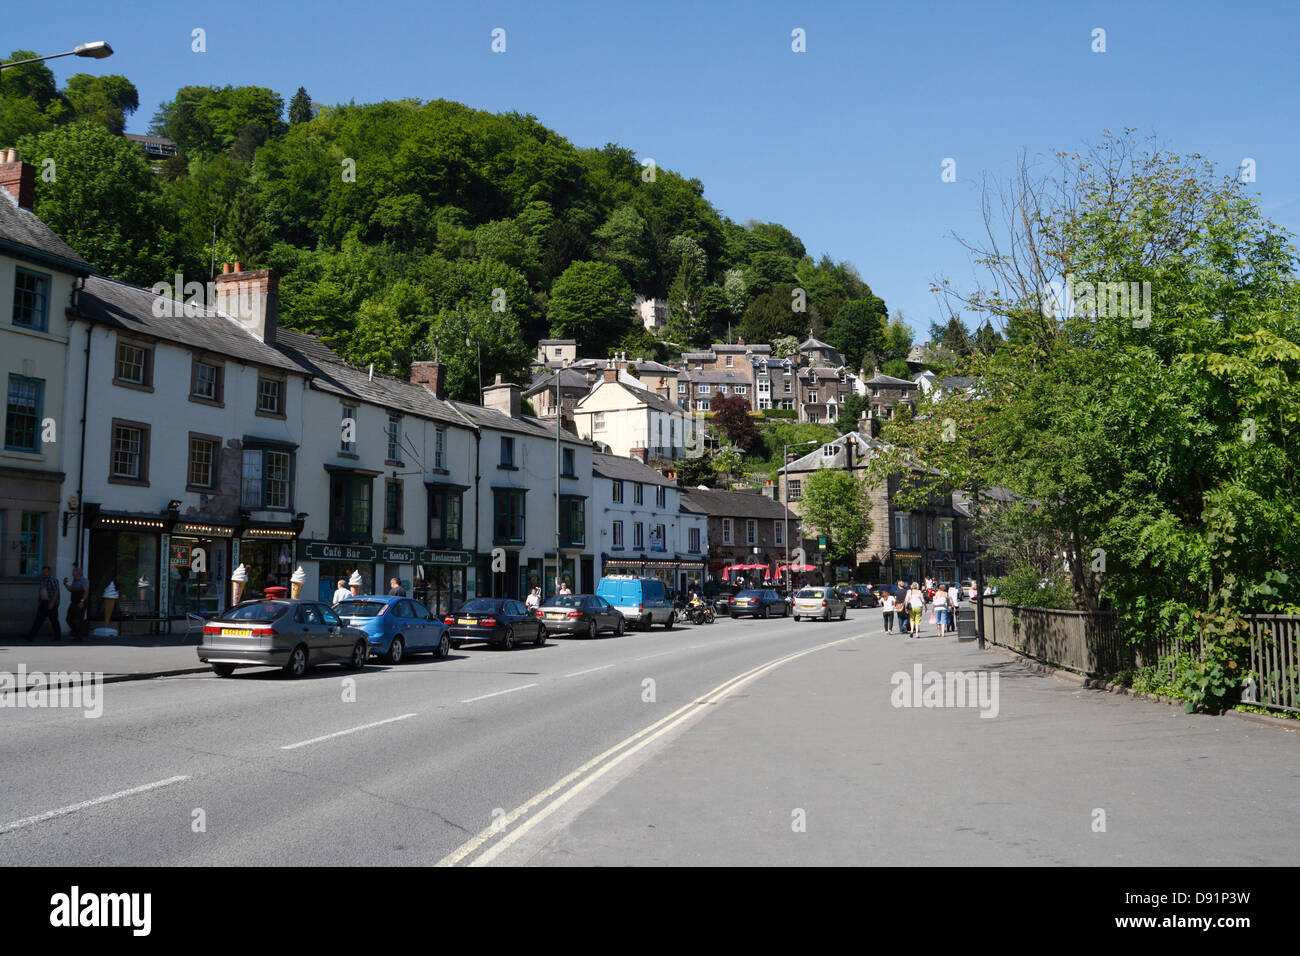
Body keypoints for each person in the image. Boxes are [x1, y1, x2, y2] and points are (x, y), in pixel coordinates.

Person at [27, 566, 62, 642]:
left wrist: (52, 603)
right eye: (43, 572)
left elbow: (56, 591)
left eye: (46, 572)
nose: (44, 573)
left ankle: (58, 637)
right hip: (43, 602)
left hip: (51, 603)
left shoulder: (52, 580)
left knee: (54, 621)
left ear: (49, 572)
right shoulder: (43, 580)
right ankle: (31, 636)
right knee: (38, 620)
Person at [63, 566, 89, 642]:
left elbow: (86, 591)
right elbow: (71, 589)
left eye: (74, 574)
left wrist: (82, 601)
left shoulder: (84, 580)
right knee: (68, 619)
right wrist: (65, 584)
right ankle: (77, 633)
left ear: (79, 574)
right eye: (73, 574)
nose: (73, 575)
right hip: (73, 602)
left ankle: (78, 636)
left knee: (77, 620)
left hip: (80, 602)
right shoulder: (75, 581)